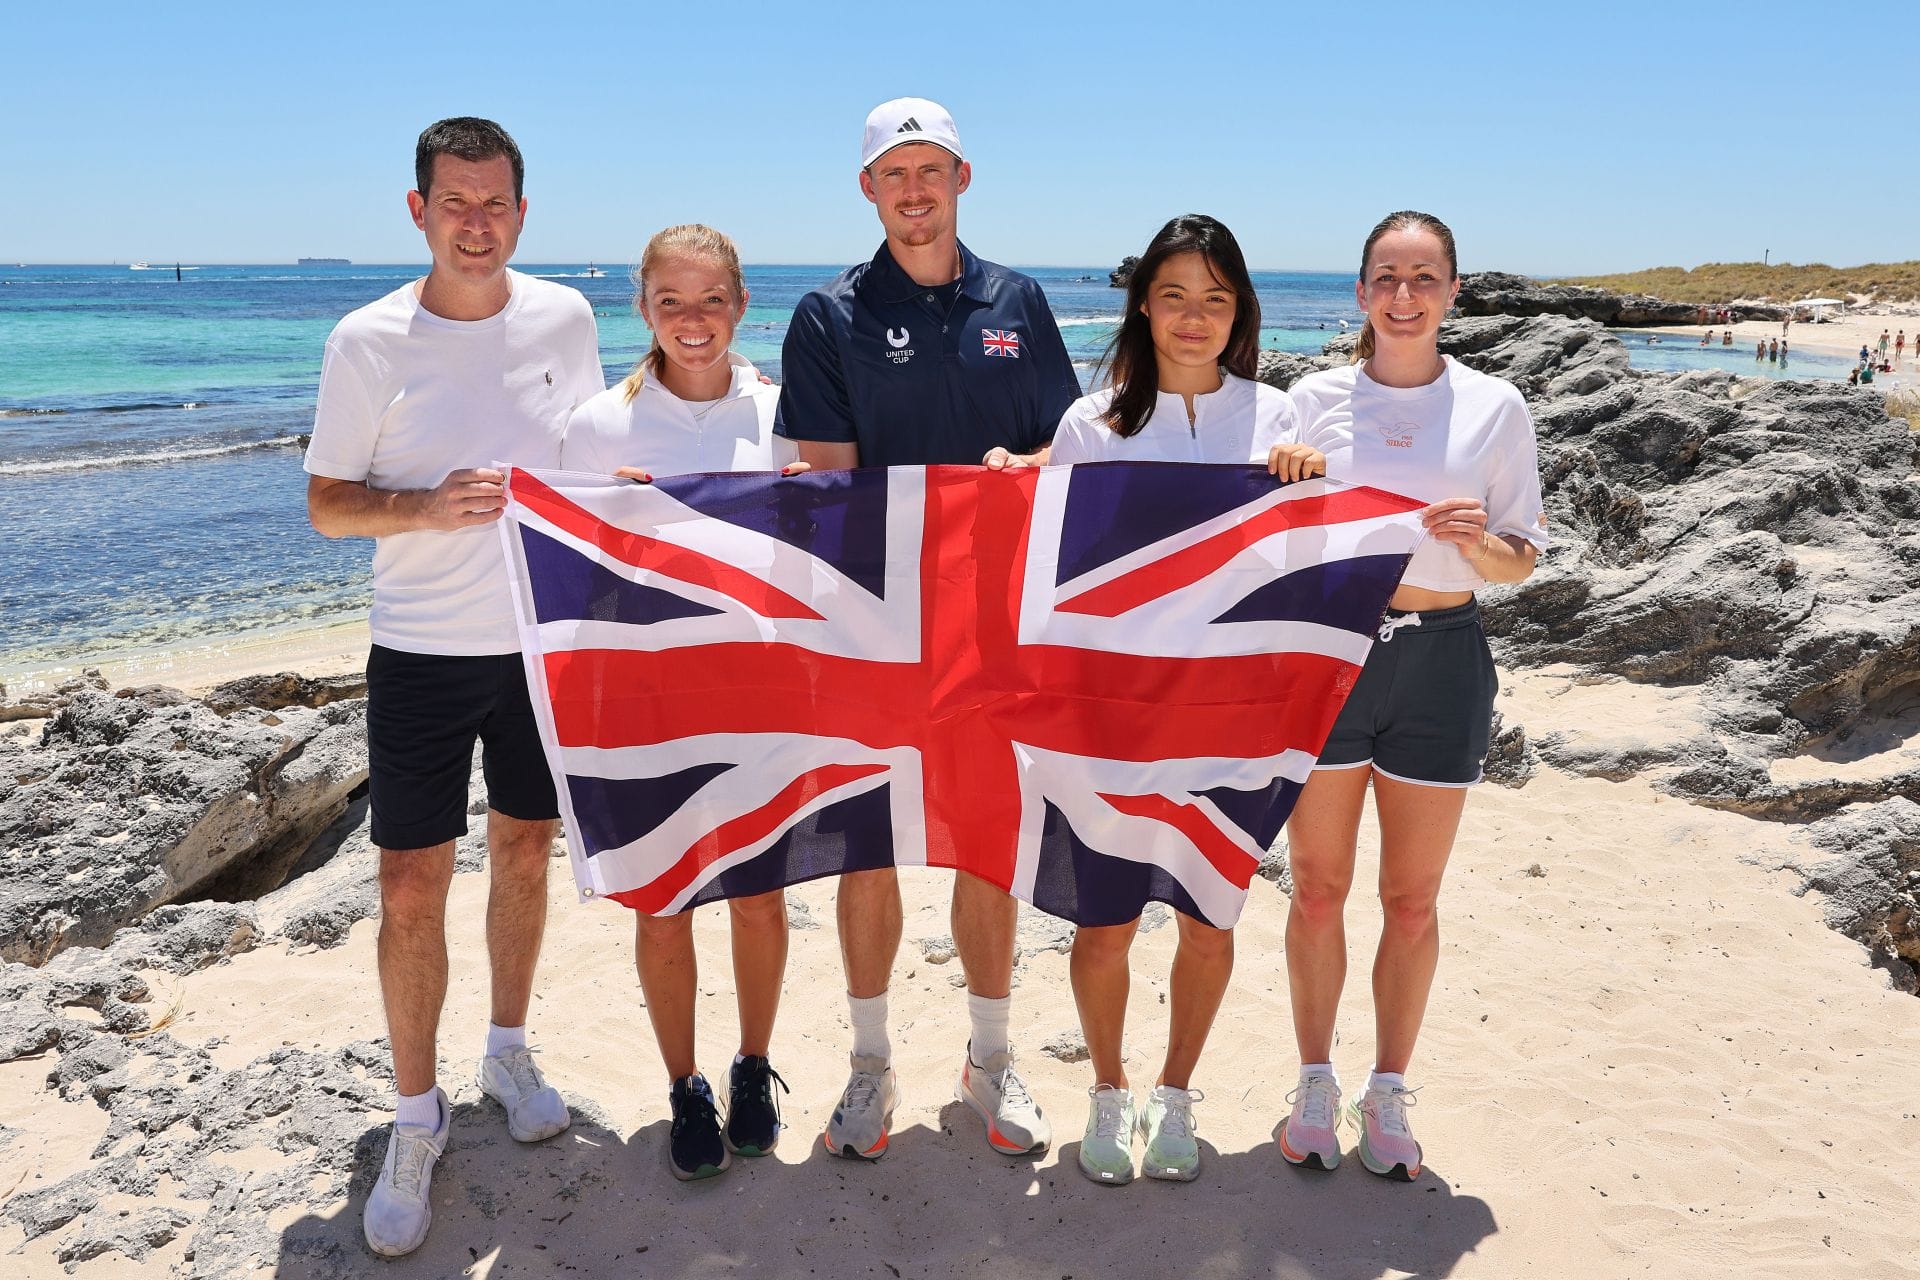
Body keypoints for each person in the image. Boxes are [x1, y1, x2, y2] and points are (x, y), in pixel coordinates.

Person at [304, 117, 605, 1257]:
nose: (474, 223)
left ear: (522, 215)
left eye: (494, 204)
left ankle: (509, 1046)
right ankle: (417, 1115)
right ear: (418, 209)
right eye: (454, 201)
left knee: (527, 852)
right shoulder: (366, 340)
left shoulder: (565, 319)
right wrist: (425, 505)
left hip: (542, 643)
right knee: (411, 886)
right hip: (421, 652)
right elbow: (329, 502)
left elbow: (594, 458)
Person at [775, 97, 1081, 1162]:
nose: (913, 191)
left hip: (997, 624)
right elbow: (821, 484)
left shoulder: (1020, 301)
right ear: (868, 189)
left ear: (962, 178)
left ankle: (990, 1062)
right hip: (873, 621)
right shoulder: (827, 316)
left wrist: (1022, 471)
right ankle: (870, 1066)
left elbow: (1068, 451)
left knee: (987, 838)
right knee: (870, 844)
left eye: (930, 170)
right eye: (893, 173)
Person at [1274, 210, 1547, 1182]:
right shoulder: (1306, 401)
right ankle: (1313, 1082)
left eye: (1423, 276)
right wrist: (1285, 482)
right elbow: (1253, 531)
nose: (1403, 293)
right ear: (1359, 292)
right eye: (1385, 276)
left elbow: (1519, 558)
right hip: (1330, 657)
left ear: (1452, 292)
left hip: (1442, 657)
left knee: (1413, 899)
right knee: (1317, 888)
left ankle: (1388, 1090)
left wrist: (1479, 544)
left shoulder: (1494, 409)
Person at [1038, 214, 1300, 1185]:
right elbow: (1048, 568)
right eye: (1176, 295)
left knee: (1208, 917)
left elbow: (1309, 553)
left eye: (1217, 298)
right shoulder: (1090, 425)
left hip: (1232, 713)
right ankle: (1110, 1088)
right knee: (1102, 921)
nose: (1195, 317)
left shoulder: (1281, 420)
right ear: (1144, 303)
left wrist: (1307, 483)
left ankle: (1176, 1092)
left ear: (1241, 312)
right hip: (1112, 714)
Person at [560, 224, 808, 1181]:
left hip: (762, 690)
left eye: (712, 301)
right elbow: (573, 580)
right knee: (662, 903)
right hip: (645, 697)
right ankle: (684, 1086)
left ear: (741, 306)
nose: (693, 321)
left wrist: (808, 500)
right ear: (645, 310)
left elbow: (826, 560)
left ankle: (752, 1066)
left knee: (757, 894)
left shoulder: (785, 415)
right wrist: (603, 517)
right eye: (672, 302)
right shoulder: (596, 426)